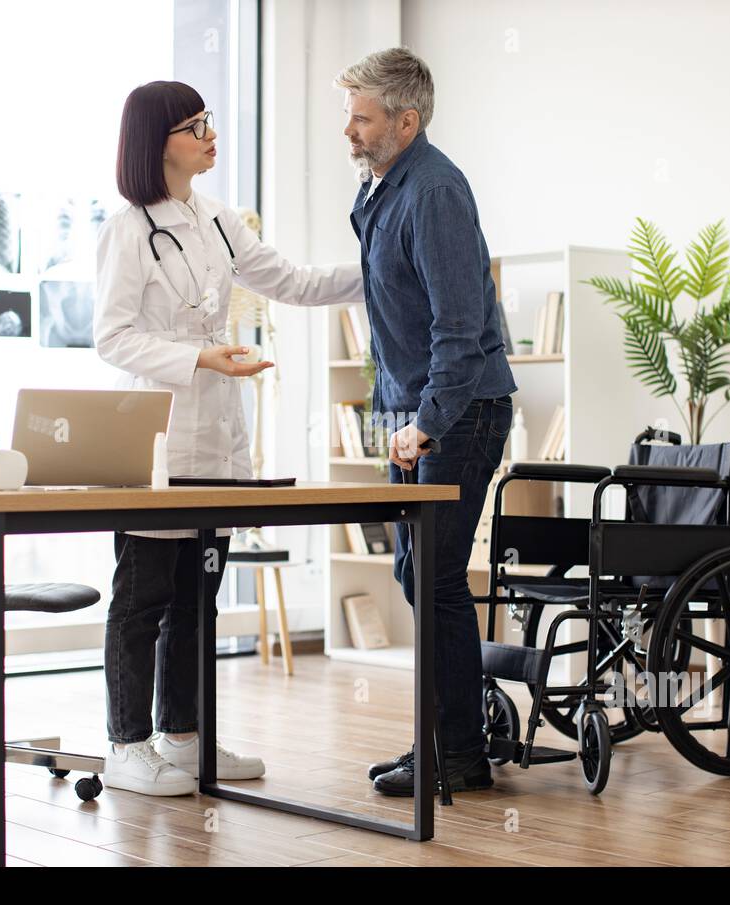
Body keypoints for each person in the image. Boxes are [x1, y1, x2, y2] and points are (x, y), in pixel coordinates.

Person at [93, 80, 363, 796]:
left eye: (209, 121)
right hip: (158, 437)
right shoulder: (127, 230)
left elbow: (292, 281)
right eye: (196, 125)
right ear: (160, 142)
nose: (211, 135)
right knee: (143, 598)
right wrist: (200, 359)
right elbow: (111, 337)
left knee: (196, 599)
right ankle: (125, 746)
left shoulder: (214, 219)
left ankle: (183, 740)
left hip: (217, 439)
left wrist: (379, 273)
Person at [336, 49, 517, 796]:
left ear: (405, 122)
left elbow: (460, 325)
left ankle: (461, 755)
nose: (348, 130)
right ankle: (445, 736)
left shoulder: (435, 191)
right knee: (418, 571)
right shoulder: (384, 188)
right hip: (412, 412)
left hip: (460, 411)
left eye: (362, 117)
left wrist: (429, 424)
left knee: (437, 576)